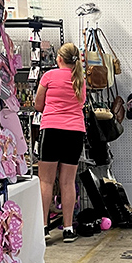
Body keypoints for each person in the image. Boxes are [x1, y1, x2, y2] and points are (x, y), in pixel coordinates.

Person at [34, 42, 87, 243]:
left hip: (51, 130)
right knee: (67, 182)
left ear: (58, 59)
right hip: (74, 132)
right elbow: (80, 103)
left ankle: (43, 227)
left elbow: (39, 105)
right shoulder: (79, 80)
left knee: (46, 181)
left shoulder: (48, 77)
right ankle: (67, 228)